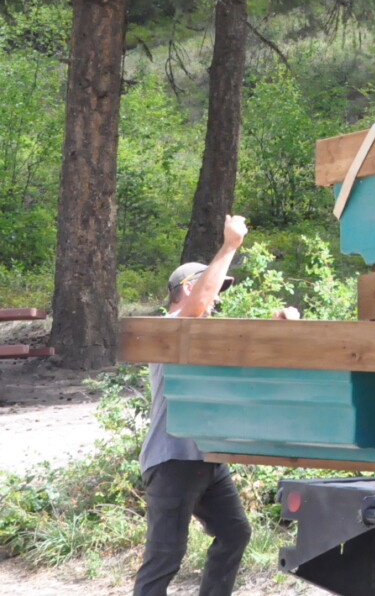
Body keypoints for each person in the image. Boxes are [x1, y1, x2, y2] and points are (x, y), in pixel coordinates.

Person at [134, 214, 294, 596]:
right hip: (172, 461)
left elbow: (244, 360)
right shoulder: (170, 328)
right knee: (165, 556)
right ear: (189, 288)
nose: (219, 296)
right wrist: (230, 244)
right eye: (215, 287)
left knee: (235, 532)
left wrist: (280, 328)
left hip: (206, 460)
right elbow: (196, 308)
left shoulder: (204, 336)